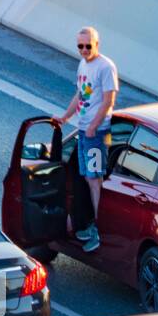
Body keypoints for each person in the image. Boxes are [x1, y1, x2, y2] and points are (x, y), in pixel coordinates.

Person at [56, 26, 118, 253]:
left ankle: (98, 230)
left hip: (97, 133)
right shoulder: (83, 65)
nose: (83, 50)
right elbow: (81, 94)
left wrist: (93, 126)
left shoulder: (106, 67)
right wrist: (65, 117)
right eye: (80, 46)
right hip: (84, 131)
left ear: (97, 44)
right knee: (85, 177)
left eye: (88, 46)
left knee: (95, 180)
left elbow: (109, 101)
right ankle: (87, 225)